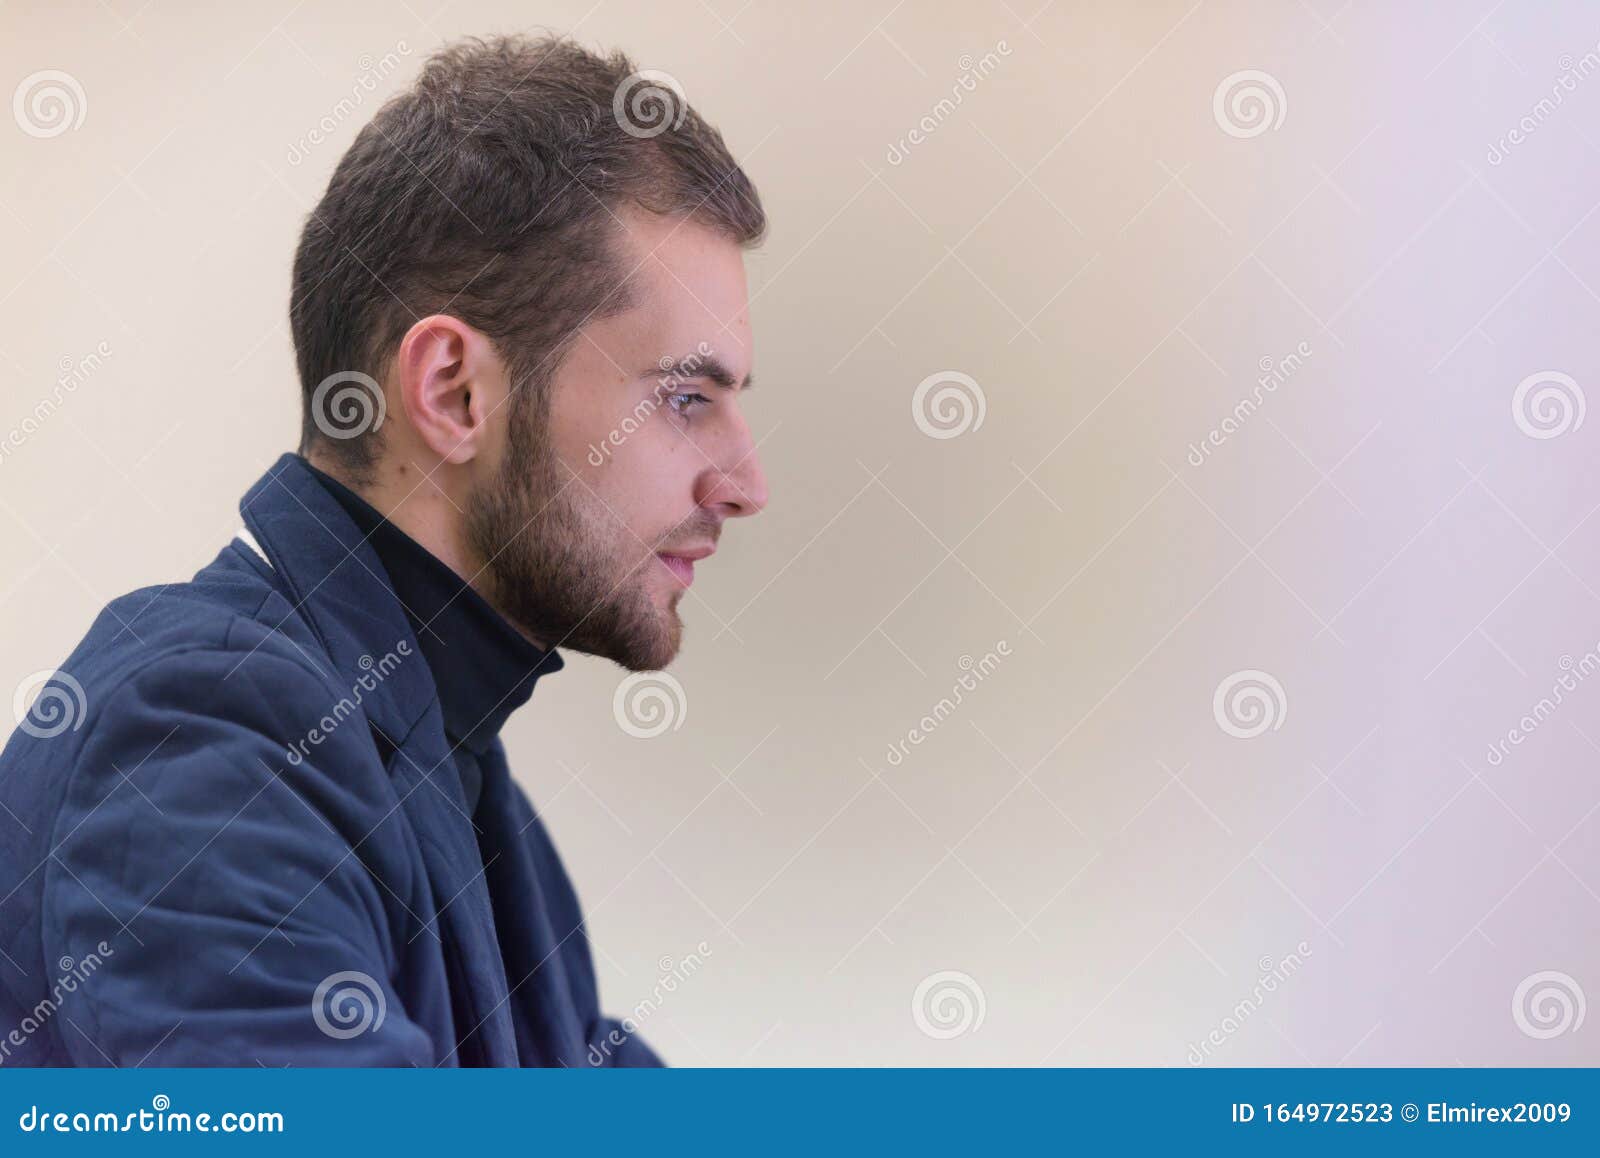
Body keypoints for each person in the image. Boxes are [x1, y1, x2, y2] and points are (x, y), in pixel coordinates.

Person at [0, 33, 769, 1066]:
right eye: (684, 399)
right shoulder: (205, 738)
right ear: (454, 391)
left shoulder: (466, 788)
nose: (745, 485)